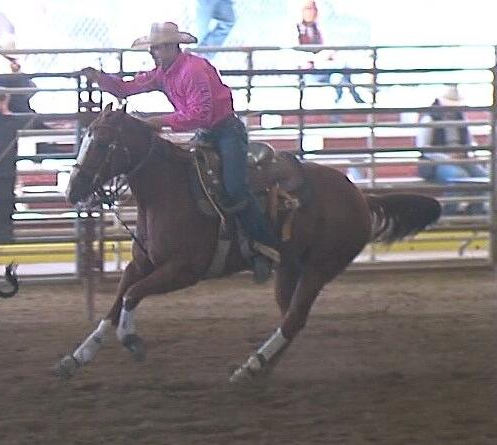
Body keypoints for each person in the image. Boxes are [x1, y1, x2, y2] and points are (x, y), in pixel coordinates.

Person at [81, 22, 281, 283]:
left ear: (172, 47)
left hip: (226, 131)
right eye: (152, 48)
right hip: (208, 133)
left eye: (158, 47)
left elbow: (200, 113)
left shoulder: (194, 70)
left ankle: (265, 246)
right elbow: (130, 87)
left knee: (235, 187)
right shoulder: (165, 72)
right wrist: (101, 79)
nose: (153, 52)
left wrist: (158, 121)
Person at [416, 86, 488, 215]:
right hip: (435, 163)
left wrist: (469, 153)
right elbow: (425, 149)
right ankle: (448, 213)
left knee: (483, 177)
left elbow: (470, 140)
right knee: (458, 177)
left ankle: (477, 210)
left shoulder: (461, 118)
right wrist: (448, 157)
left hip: (461, 159)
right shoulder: (429, 119)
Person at [296, 0, 365, 108]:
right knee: (341, 72)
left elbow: (324, 47)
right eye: (309, 9)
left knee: (342, 70)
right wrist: (316, 58)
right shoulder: (296, 29)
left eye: (315, 9)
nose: (313, 12)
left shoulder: (317, 28)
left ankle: (342, 99)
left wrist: (329, 55)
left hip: (320, 67)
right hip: (307, 71)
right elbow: (295, 54)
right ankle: (351, 96)